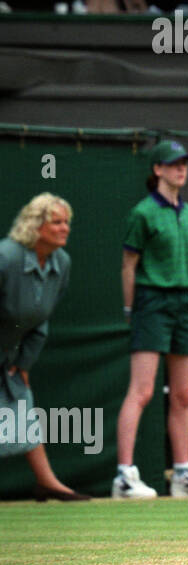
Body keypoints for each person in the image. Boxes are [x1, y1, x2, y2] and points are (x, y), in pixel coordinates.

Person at [115, 140, 188, 499]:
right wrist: (132, 310)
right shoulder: (142, 213)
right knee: (143, 391)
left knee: (181, 395)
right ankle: (124, 475)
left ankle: (181, 474)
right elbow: (128, 266)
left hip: (181, 305)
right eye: (173, 164)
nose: (181, 169)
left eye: (184, 164)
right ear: (157, 170)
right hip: (151, 302)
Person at [0, 193, 87, 500]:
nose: (65, 228)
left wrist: (23, 363)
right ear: (35, 226)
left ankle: (47, 482)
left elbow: (41, 317)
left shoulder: (61, 263)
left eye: (67, 222)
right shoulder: (6, 257)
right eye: (57, 222)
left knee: (22, 405)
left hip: (8, 355)